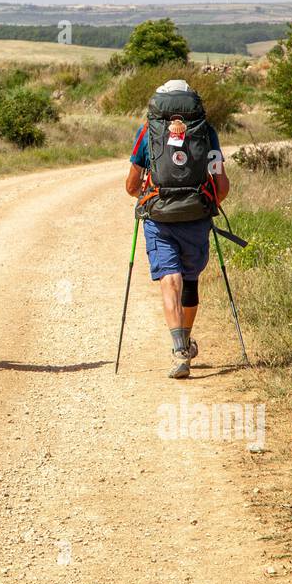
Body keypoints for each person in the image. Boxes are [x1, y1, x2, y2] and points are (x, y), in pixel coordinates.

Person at [123, 79, 229, 379]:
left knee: (170, 279)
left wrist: (150, 196)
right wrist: (205, 204)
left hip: (159, 219)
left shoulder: (147, 133)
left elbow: (131, 185)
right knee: (190, 280)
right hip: (196, 218)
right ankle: (186, 340)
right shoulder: (206, 133)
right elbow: (221, 185)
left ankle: (180, 349)